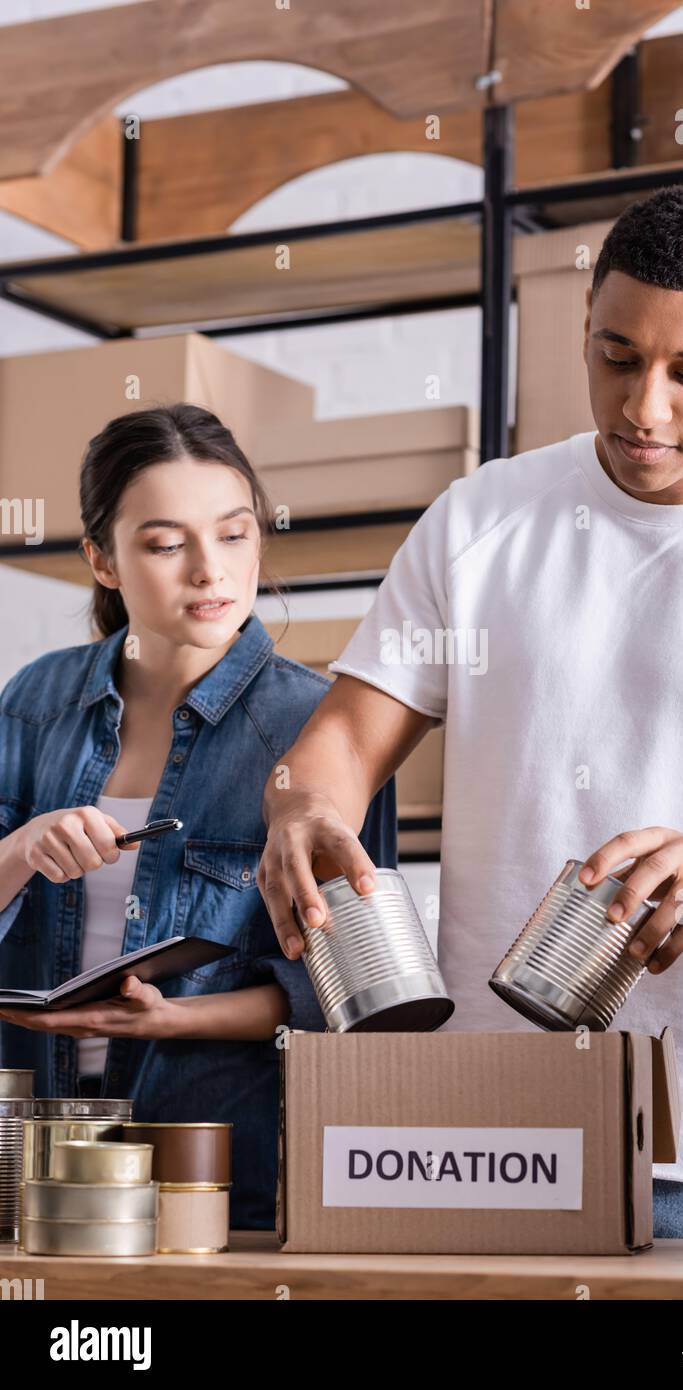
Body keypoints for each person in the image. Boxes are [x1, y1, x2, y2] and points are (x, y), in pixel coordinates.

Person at [256, 184, 683, 1241]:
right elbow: (349, 737)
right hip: (483, 1124)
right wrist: (303, 806)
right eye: (617, 357)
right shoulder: (482, 518)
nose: (645, 408)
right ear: (584, 323)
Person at [0, 403, 397, 1230]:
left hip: (213, 1163)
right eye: (166, 544)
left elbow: (348, 993)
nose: (210, 571)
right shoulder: (37, 700)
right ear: (102, 560)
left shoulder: (319, 730)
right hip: (31, 1155)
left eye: (234, 534)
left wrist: (173, 1018)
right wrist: (22, 848)